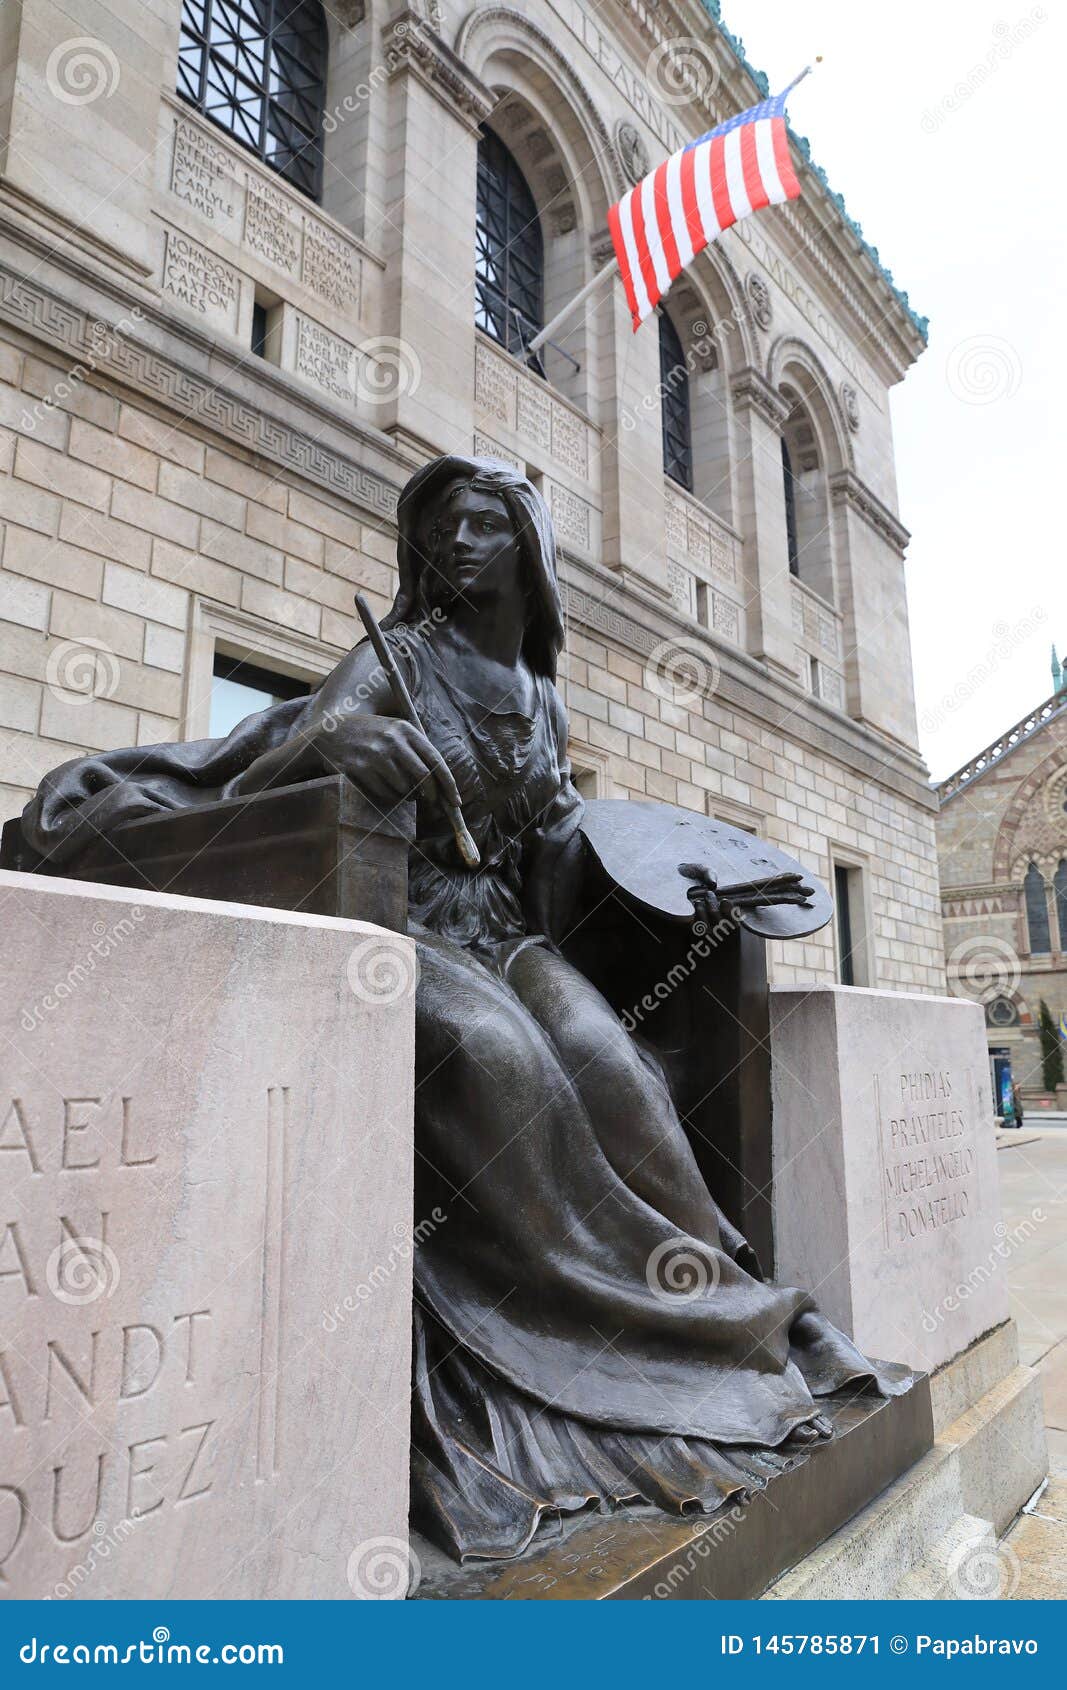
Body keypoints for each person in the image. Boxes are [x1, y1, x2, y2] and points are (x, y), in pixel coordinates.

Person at [22, 457, 908, 1562]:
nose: (459, 544)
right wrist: (335, 740)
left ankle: (741, 1311)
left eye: (485, 525)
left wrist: (690, 892)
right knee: (500, 1059)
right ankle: (586, 1343)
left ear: (526, 553)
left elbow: (559, 847)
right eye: (442, 528)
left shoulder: (541, 695)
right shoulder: (395, 659)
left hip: (506, 928)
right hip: (403, 923)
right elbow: (280, 766)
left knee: (614, 1069)